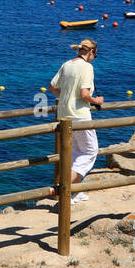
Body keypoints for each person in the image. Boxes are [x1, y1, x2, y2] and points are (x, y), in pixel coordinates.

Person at [49, 38, 105, 203]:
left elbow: (52, 88)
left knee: (75, 153)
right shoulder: (87, 67)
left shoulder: (67, 64)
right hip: (80, 115)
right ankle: (66, 188)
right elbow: (85, 95)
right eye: (96, 54)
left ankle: (74, 191)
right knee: (90, 151)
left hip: (64, 114)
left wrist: (67, 96)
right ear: (92, 52)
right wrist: (98, 101)